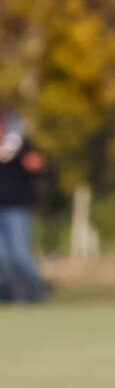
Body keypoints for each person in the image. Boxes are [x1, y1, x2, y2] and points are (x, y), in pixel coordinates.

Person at [0, 110, 48, 302]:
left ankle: (35, 293)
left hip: (16, 207)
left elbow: (41, 166)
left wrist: (37, 165)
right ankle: (15, 295)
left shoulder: (20, 145)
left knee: (20, 254)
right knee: (3, 257)